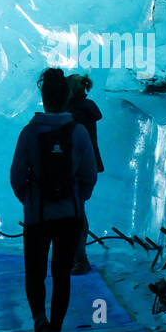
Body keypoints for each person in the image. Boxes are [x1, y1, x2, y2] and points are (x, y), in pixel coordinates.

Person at [10, 68, 97, 332]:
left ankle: (39, 324)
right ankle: (56, 331)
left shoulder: (29, 132)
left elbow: (16, 175)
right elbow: (89, 175)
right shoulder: (79, 131)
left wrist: (30, 198)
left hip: (38, 215)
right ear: (67, 97)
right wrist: (77, 198)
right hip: (69, 215)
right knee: (61, 274)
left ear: (43, 97)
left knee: (34, 273)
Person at [66, 73, 104, 274]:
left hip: (77, 169)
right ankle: (77, 258)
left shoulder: (75, 112)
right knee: (78, 211)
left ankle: (80, 259)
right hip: (88, 167)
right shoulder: (86, 109)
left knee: (76, 214)